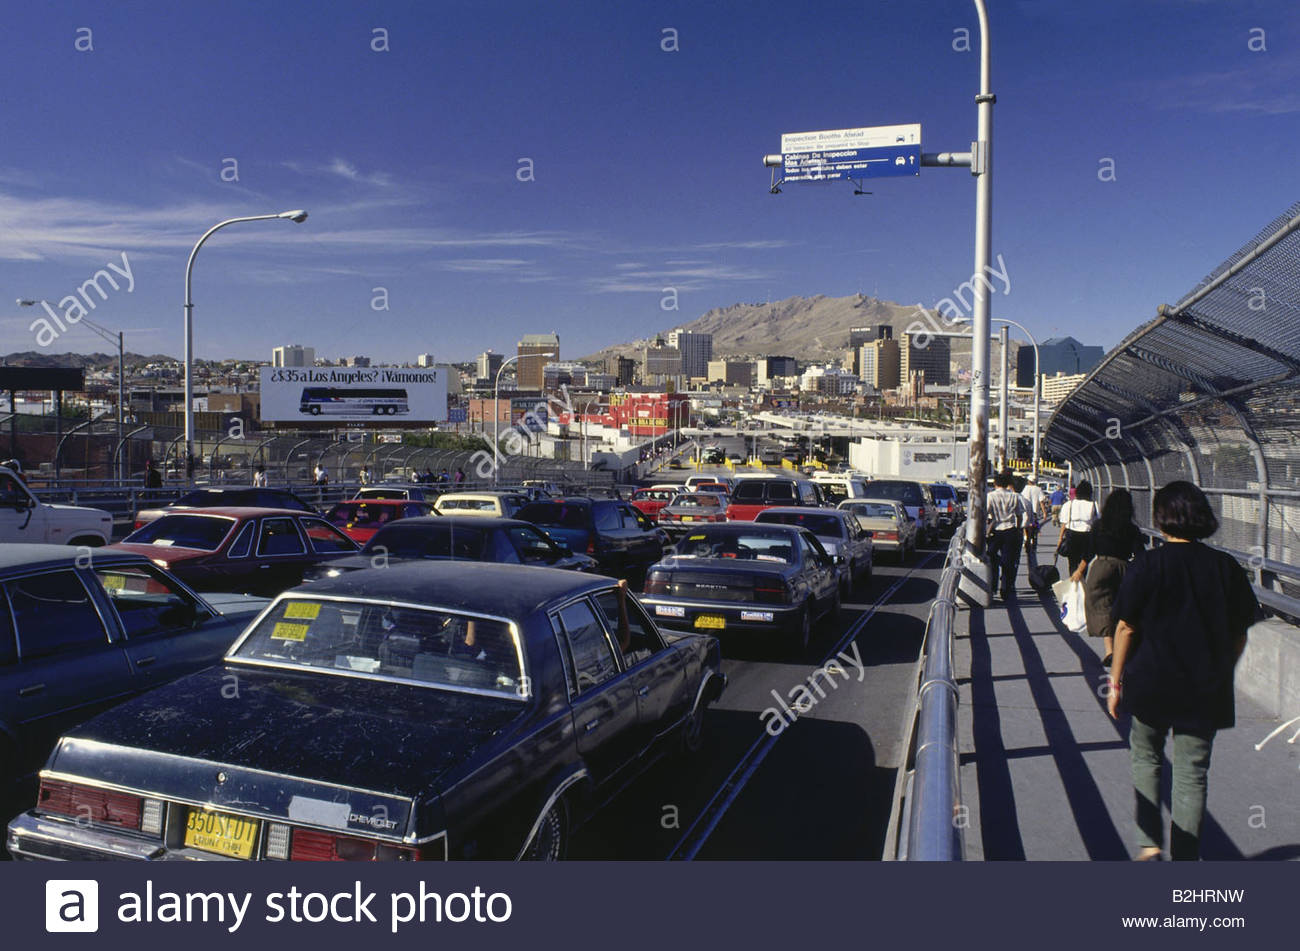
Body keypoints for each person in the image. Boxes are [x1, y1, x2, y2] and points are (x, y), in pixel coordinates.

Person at [1108, 481, 1258, 861]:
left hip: (1150, 683)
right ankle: (1186, 858)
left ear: (1160, 519)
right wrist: (1224, 667)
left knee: (1146, 757)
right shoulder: (1225, 567)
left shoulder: (1147, 565)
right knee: (1193, 773)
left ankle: (1149, 844)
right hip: (1204, 688)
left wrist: (1115, 682)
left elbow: (1125, 627)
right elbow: (1241, 632)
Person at [1070, 488, 1145, 666]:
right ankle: (1124, 646)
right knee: (1123, 606)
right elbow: (1140, 554)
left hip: (1101, 567)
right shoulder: (1132, 529)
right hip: (1124, 567)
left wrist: (1079, 571)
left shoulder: (1099, 526)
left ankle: (1110, 651)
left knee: (1102, 608)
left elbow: (1090, 551)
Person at [985, 469, 1028, 601]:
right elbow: (1019, 515)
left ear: (995, 484)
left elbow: (986, 513)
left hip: (996, 530)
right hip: (1010, 530)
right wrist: (1018, 528)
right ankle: (1005, 588)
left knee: (991, 557)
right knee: (1008, 561)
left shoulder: (991, 496)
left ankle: (992, 587)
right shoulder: (1014, 496)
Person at [1056, 480, 1099, 575]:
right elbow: (1096, 522)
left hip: (1072, 534)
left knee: (1072, 562)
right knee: (1084, 562)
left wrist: (1060, 539)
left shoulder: (1069, 505)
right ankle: (1082, 580)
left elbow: (1064, 523)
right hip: (1087, 535)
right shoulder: (1093, 505)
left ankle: (1073, 582)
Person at [1020, 474, 1047, 555]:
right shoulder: (1038, 489)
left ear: (1028, 481)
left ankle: (1026, 538)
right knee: (1035, 526)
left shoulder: (1024, 489)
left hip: (1025, 510)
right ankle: (1033, 540)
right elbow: (1041, 501)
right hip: (1035, 512)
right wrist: (1044, 512)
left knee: (1025, 526)